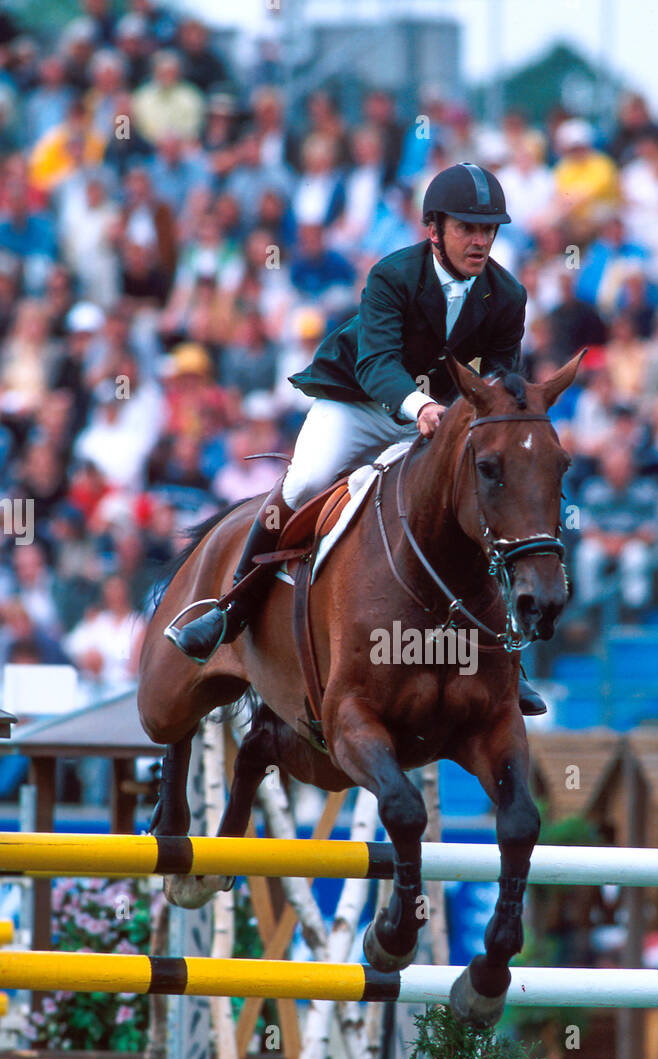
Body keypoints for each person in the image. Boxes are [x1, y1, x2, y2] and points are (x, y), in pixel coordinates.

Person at [170, 161, 548, 714]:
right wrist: (419, 406)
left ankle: (502, 656)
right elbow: (376, 364)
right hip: (358, 402)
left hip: (437, 413)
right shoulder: (393, 275)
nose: (480, 240)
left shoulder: (507, 295)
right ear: (433, 229)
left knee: (476, 505)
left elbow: (497, 382)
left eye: (488, 230)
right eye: (467, 227)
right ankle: (233, 608)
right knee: (306, 482)